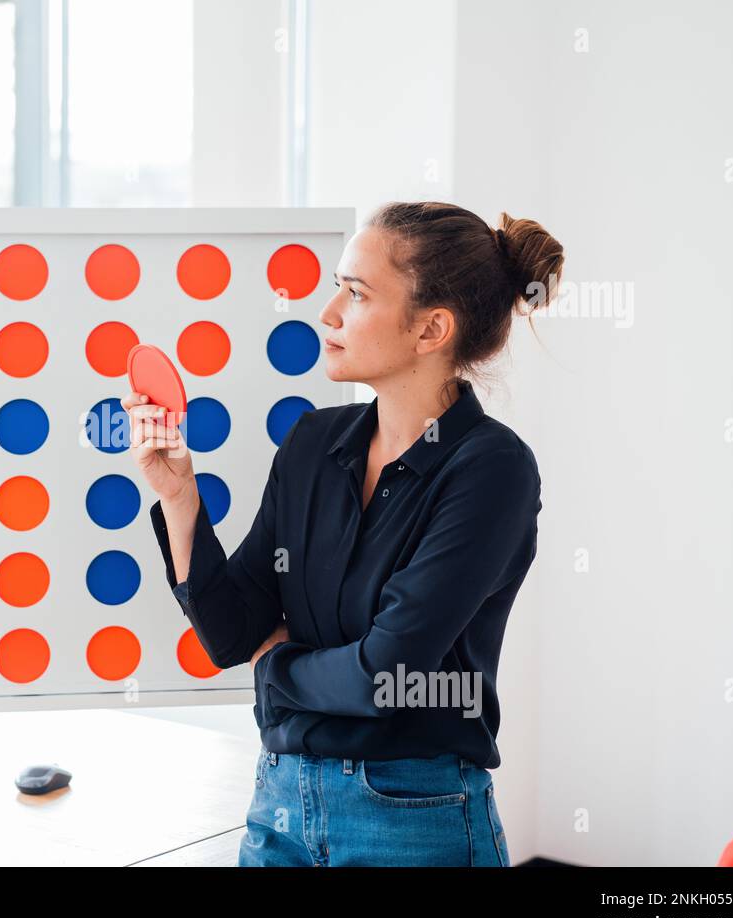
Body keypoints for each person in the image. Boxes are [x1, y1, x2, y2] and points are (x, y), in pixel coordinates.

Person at [122, 201, 564, 866]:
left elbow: (385, 674)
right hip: (278, 803)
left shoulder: (492, 470)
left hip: (413, 816)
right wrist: (180, 496)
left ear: (431, 329)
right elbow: (230, 631)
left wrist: (275, 667)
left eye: (355, 293)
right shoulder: (311, 443)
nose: (328, 313)